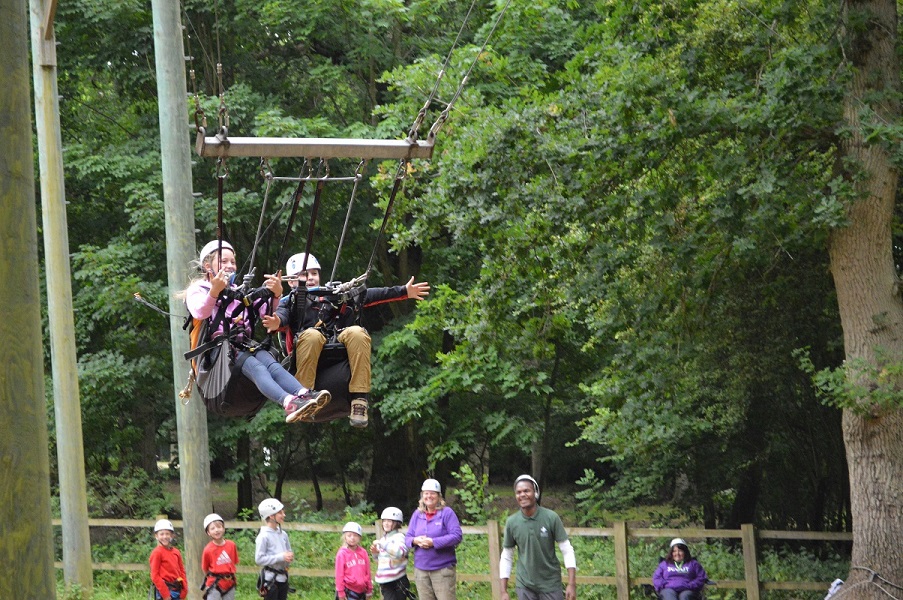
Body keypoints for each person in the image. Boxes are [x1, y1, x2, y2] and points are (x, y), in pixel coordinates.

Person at [265, 252, 429, 428]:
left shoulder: (332, 295)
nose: (310, 278)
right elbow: (281, 317)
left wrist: (404, 291)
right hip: (305, 352)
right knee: (312, 335)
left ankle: (359, 399)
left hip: (334, 348)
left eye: (314, 273)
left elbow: (369, 295)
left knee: (357, 332)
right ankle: (303, 397)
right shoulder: (290, 301)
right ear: (291, 281)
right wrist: (276, 321)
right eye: (304, 274)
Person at [185, 240, 331, 423]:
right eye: (224, 262)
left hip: (242, 345)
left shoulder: (238, 292)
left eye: (233, 262)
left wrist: (276, 294)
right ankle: (288, 401)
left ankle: (303, 394)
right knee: (257, 368)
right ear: (208, 266)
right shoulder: (198, 290)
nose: (230, 266)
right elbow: (200, 312)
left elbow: (266, 314)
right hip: (218, 354)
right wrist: (214, 292)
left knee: (272, 364)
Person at [499, 475, 577, 600]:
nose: (522, 495)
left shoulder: (551, 518)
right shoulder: (512, 522)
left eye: (526, 491)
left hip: (550, 584)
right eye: (518, 492)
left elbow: (567, 550)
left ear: (535, 493)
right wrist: (503, 591)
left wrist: (572, 584)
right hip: (524, 585)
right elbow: (507, 556)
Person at [405, 478, 463, 600]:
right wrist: (416, 541)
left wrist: (434, 542)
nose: (429, 496)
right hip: (421, 570)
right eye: (426, 493)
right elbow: (407, 538)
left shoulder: (447, 513)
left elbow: (457, 536)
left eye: (432, 493)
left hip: (442, 569)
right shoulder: (417, 514)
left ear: (439, 496)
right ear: (422, 496)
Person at [256, 498, 294, 600]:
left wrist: (289, 556)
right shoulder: (263, 536)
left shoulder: (283, 534)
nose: (284, 515)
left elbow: (288, 550)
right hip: (271, 581)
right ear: (271, 516)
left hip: (283, 579)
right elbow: (259, 559)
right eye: (280, 513)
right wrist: (281, 557)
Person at [371, 507, 412, 600]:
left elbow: (400, 553)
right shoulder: (383, 539)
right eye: (384, 521)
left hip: (396, 581)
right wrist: (375, 553)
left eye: (389, 521)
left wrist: (382, 544)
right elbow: (381, 561)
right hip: (385, 582)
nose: (386, 523)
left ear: (397, 523)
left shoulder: (399, 537)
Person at [201, 513, 239, 600]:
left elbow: (233, 562)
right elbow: (205, 568)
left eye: (219, 527)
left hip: (229, 583)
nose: (216, 530)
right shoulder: (208, 549)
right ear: (208, 532)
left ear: (223, 528)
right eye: (213, 528)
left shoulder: (231, 545)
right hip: (214, 584)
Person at [149, 519, 187, 600]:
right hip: (164, 591)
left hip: (177, 589)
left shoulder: (176, 552)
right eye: (161, 534)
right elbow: (155, 575)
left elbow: (182, 571)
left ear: (172, 535)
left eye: (167, 534)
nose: (165, 537)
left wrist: (184, 589)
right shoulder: (157, 553)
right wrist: (166, 595)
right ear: (156, 536)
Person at [334, 521, 373, 600]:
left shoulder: (363, 552)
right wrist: (340, 592)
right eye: (349, 535)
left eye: (355, 535)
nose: (352, 538)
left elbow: (367, 572)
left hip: (362, 590)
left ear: (359, 537)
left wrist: (369, 588)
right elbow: (339, 575)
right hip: (349, 589)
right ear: (345, 537)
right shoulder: (342, 554)